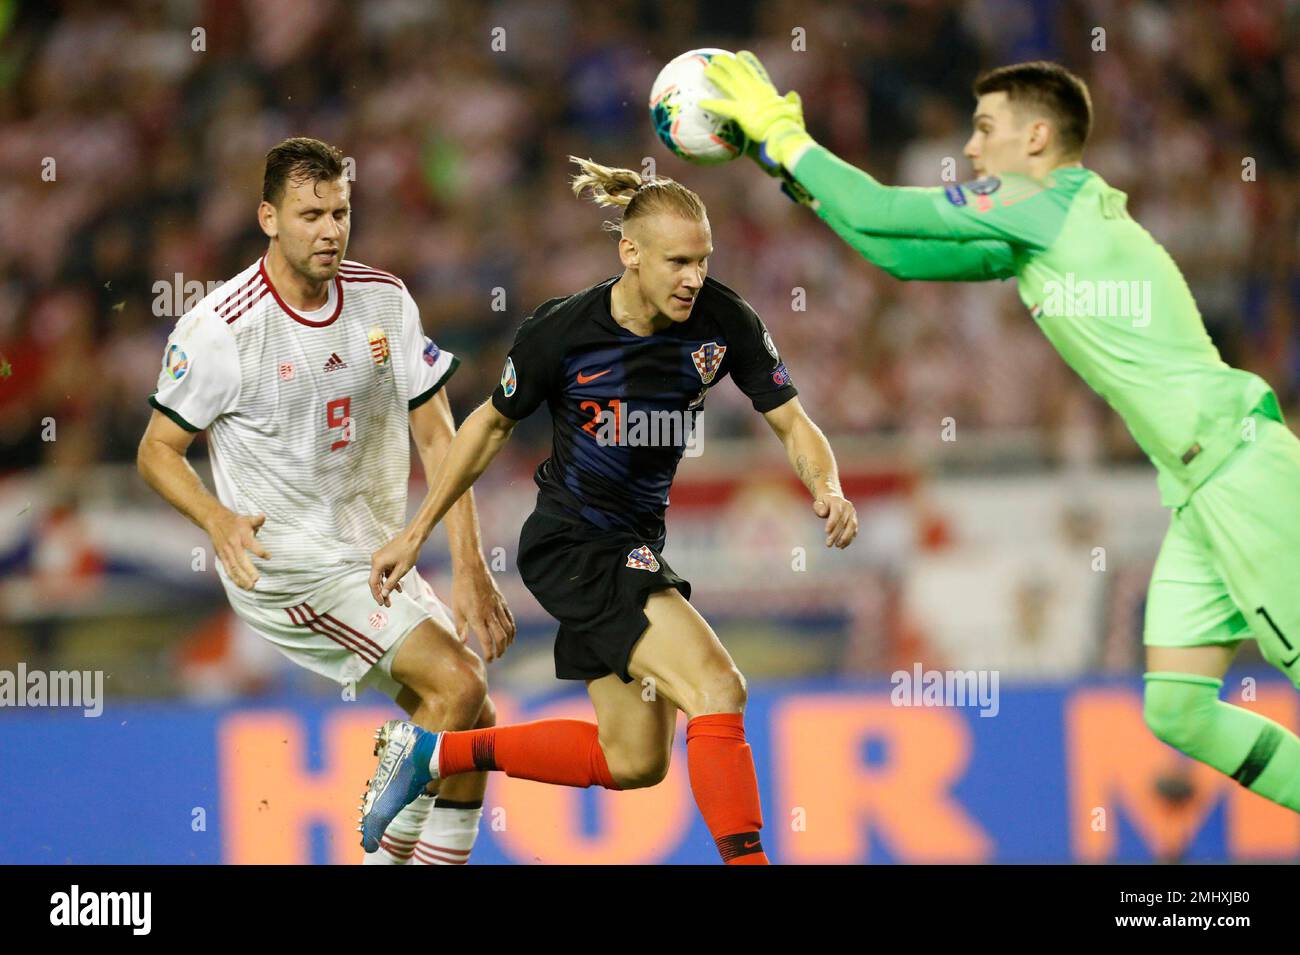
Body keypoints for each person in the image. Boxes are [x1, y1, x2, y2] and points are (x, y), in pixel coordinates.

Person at [701, 53, 1300, 810]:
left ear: (1039, 137)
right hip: (1198, 490)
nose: (973, 149)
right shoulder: (1046, 224)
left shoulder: (1041, 202)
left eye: (986, 130)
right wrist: (776, 162)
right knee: (1178, 708)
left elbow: (885, 209)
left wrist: (787, 135)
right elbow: (894, 252)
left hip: (1241, 477)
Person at [356, 157, 858, 864]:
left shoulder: (724, 321)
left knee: (633, 760)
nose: (693, 277)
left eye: (702, 260)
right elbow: (487, 426)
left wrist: (827, 485)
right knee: (718, 685)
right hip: (575, 543)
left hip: (635, 545)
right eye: (678, 261)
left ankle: (433, 753)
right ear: (630, 253)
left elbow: (792, 421)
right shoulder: (562, 332)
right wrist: (416, 532)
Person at [137, 137, 515, 864]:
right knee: (458, 680)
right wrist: (215, 518)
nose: (331, 230)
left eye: (341, 211)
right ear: (268, 218)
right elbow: (157, 451)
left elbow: (443, 442)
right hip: (287, 566)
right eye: (311, 214)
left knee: (471, 723)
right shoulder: (221, 329)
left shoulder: (385, 299)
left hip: (370, 554)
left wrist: (469, 563)